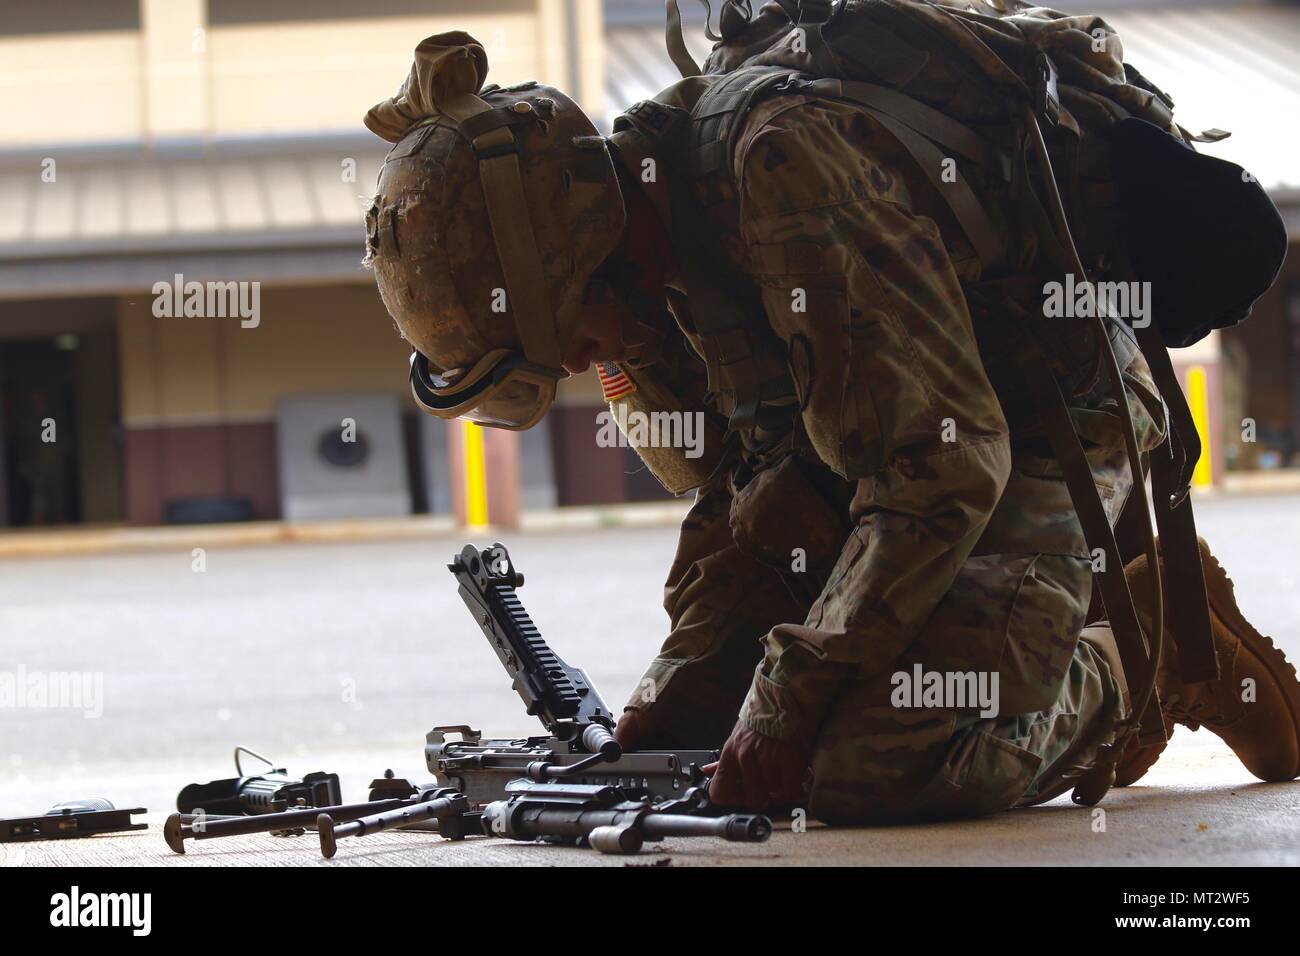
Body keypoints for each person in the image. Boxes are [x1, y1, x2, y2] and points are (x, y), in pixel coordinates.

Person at [361, 28, 1300, 823]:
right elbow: (741, 493)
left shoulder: (786, 176)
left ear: (581, 259)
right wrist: (684, 689)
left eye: (559, 335)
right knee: (706, 733)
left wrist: (787, 696)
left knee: (882, 761)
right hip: (902, 454)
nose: (571, 364)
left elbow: (944, 469)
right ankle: (1043, 640)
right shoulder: (650, 251)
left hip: (1048, 426)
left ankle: (1153, 645)